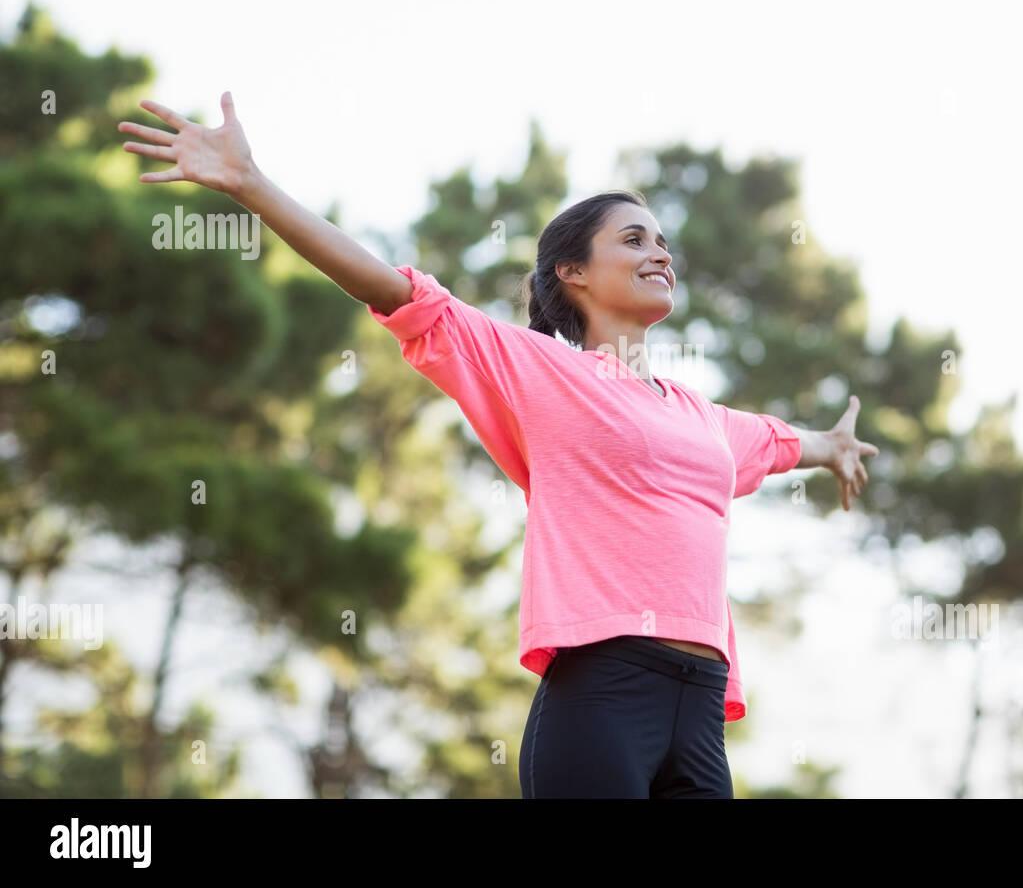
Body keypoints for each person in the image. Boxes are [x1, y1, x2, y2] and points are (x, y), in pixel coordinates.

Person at [120, 92, 880, 798]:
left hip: (703, 713)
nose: (661, 253)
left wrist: (831, 446)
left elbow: (782, 443)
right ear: (572, 271)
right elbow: (395, 292)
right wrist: (252, 186)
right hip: (603, 695)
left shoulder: (706, 420)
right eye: (635, 238)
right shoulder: (541, 369)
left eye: (663, 241)